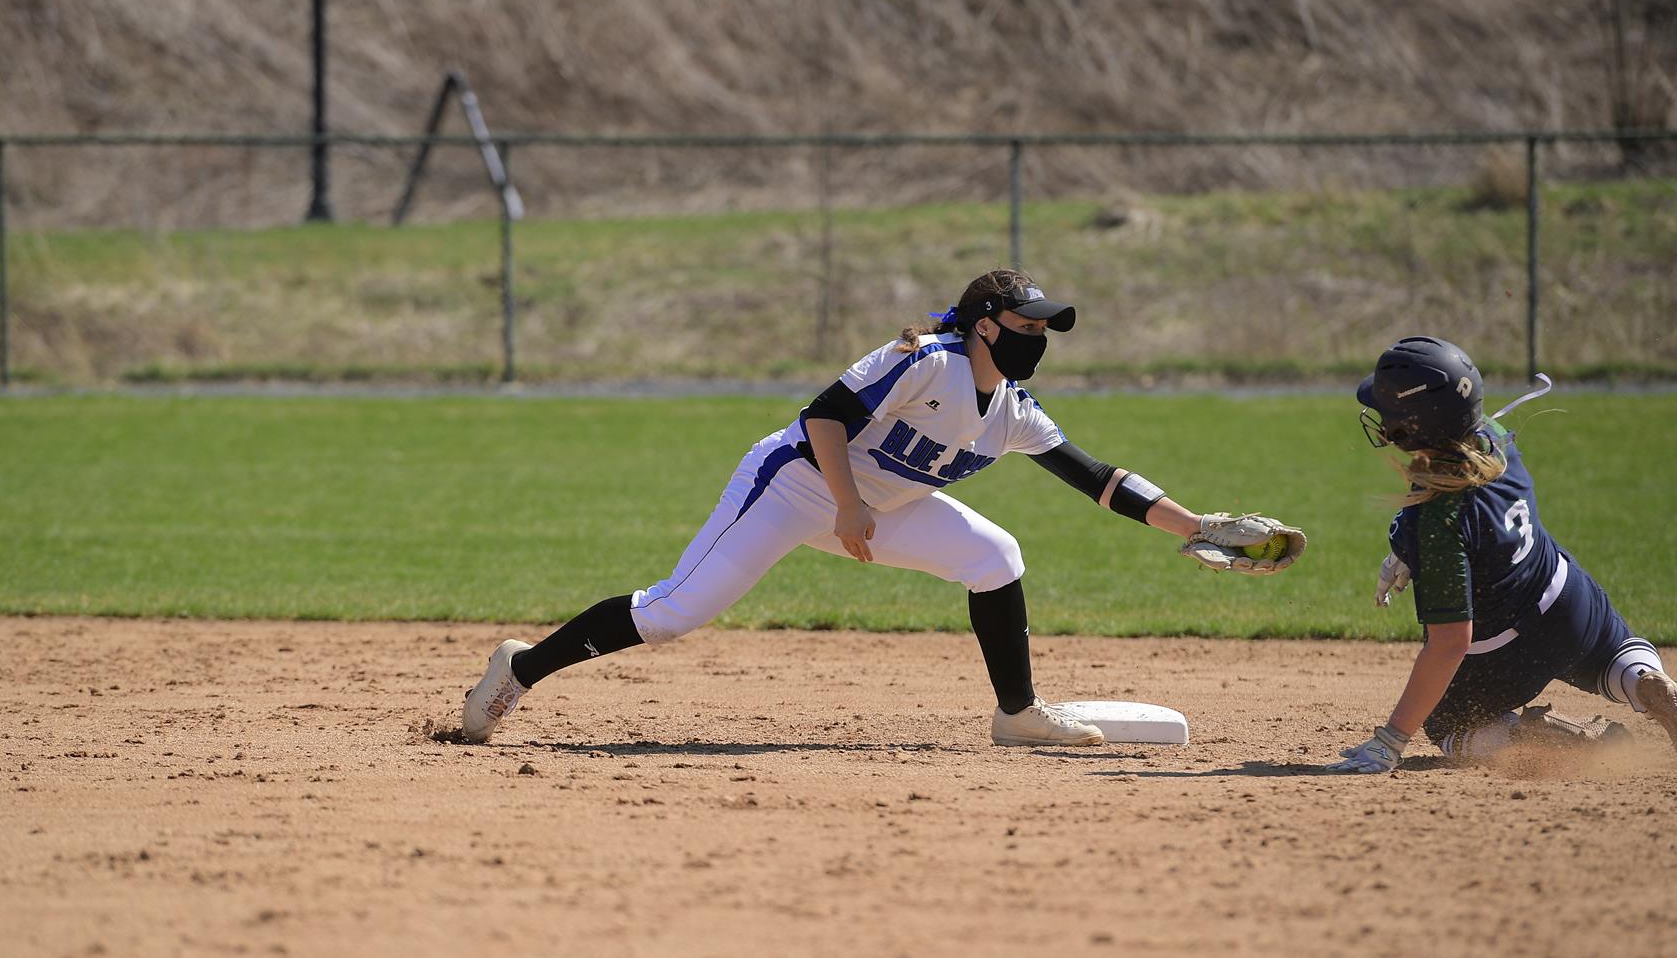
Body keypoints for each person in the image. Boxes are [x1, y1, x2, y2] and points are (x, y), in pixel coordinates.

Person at [459, 268, 1305, 749]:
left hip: (882, 503)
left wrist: (1195, 527)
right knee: (677, 611)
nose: (1038, 338)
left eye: (1046, 328)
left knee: (996, 556)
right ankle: (520, 668)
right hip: (795, 484)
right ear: (982, 324)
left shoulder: (1011, 407)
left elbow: (1101, 481)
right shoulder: (923, 359)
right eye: (1026, 323)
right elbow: (823, 415)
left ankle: (1018, 718)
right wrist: (849, 502)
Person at [1326, 336, 1677, 774]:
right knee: (1617, 657)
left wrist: (1391, 739)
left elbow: (1451, 642)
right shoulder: (1492, 439)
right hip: (1568, 601)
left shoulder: (1436, 523)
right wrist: (1405, 549)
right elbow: (1462, 505)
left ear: (1412, 427)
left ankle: (1540, 737)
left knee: (1448, 724)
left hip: (1504, 653)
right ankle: (1644, 681)